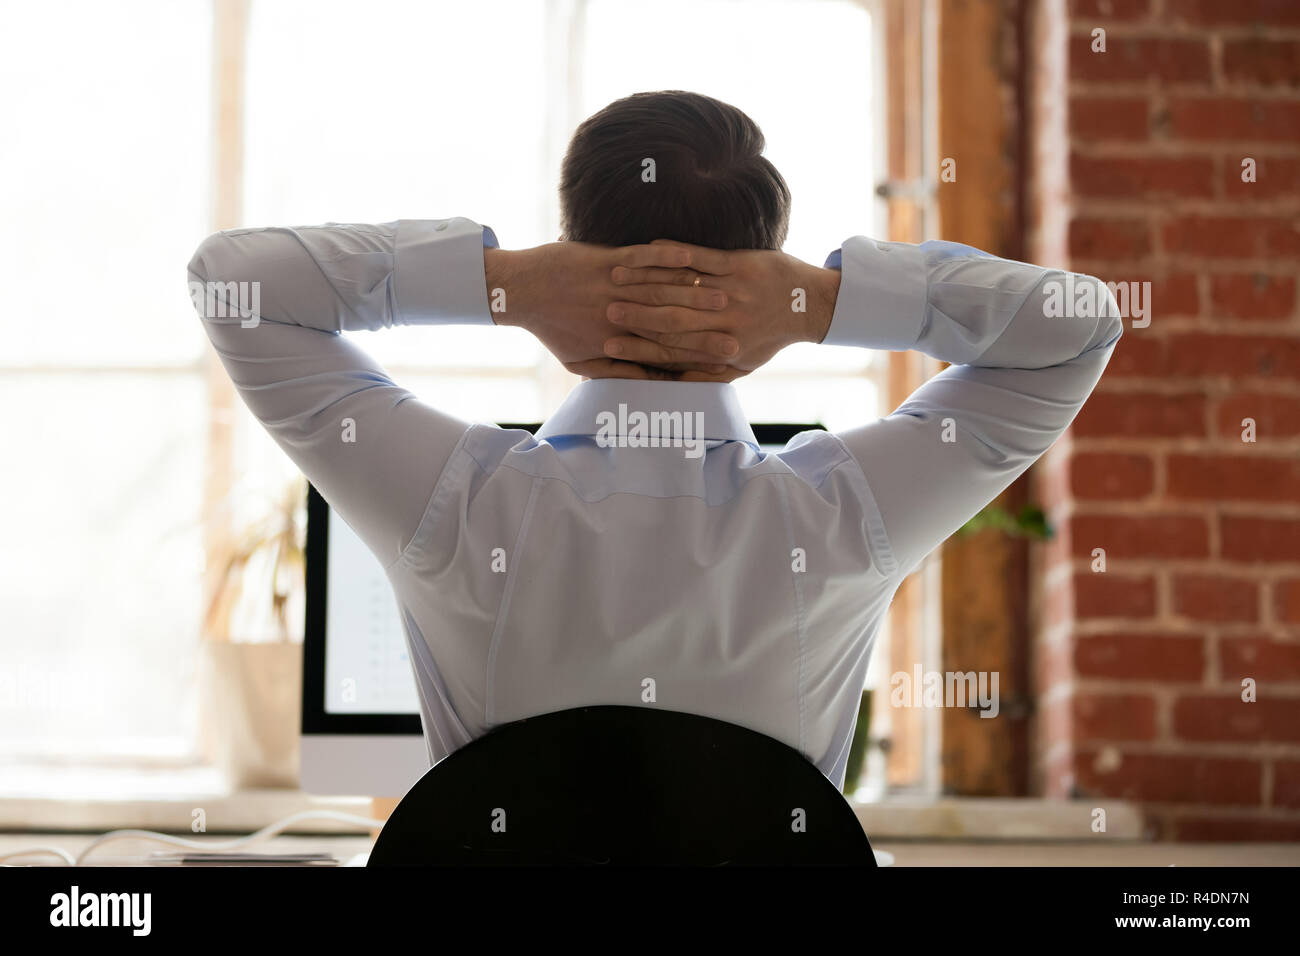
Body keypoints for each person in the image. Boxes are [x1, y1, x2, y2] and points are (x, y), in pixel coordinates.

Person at [186, 91, 1122, 787]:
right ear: (759, 269)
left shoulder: (456, 504)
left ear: (573, 243)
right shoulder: (843, 516)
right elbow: (1078, 327)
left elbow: (234, 282)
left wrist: (506, 284)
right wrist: (819, 302)